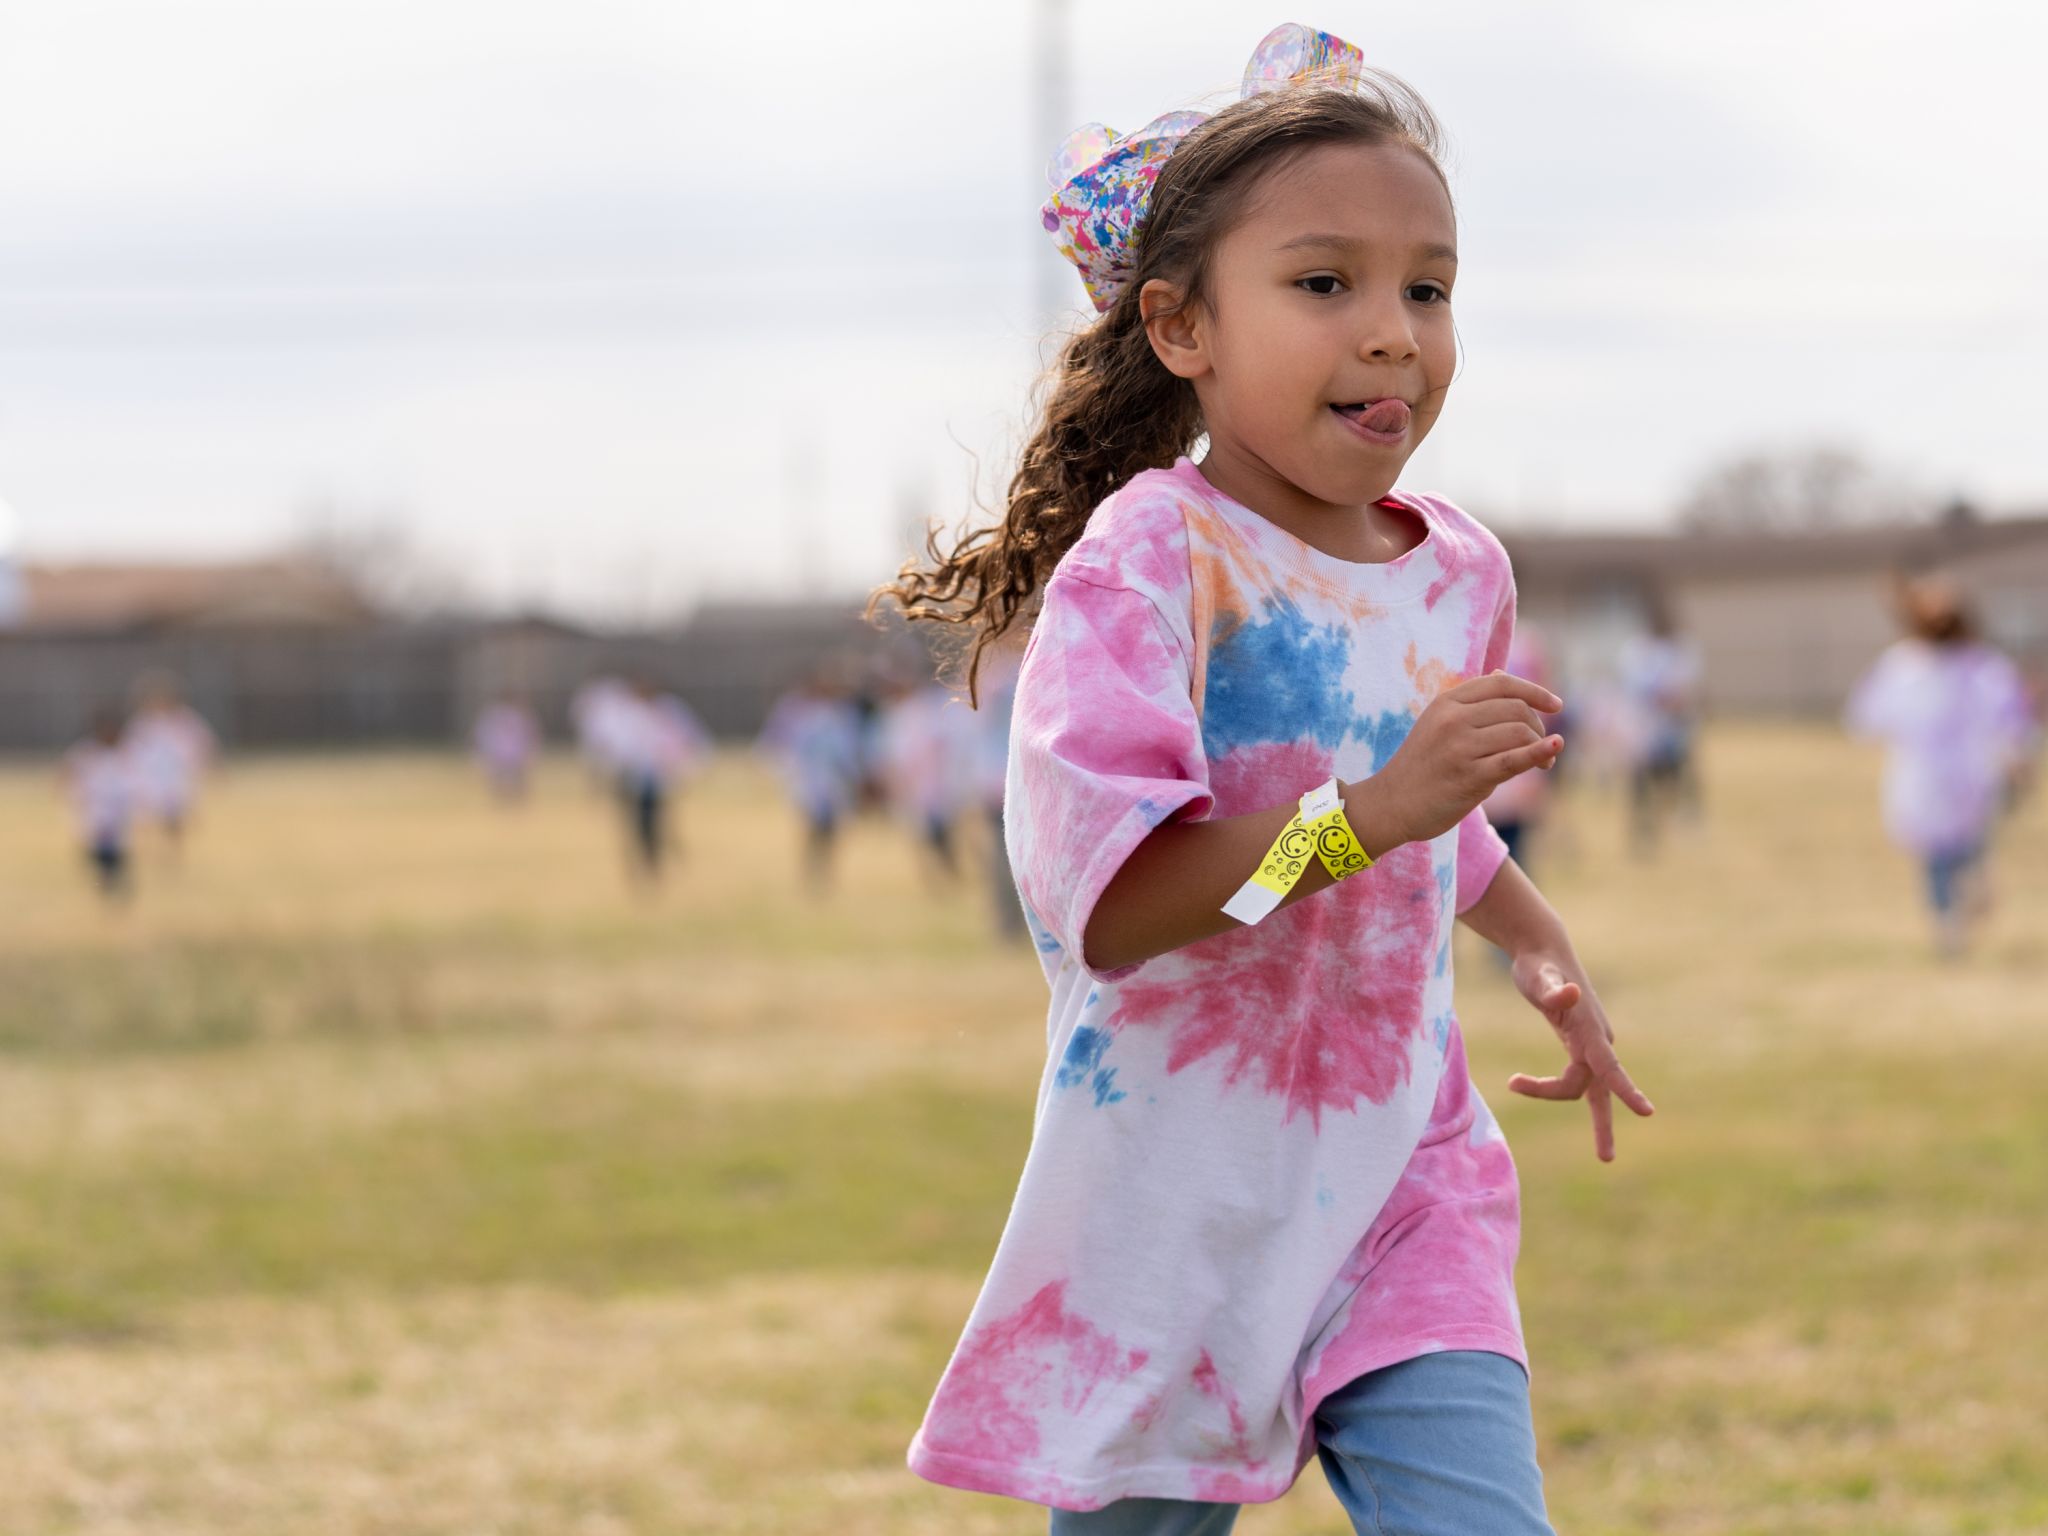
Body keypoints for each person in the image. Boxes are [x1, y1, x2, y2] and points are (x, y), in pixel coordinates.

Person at [875, 26, 1652, 1535]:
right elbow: (1121, 903)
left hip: (1401, 1180)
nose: (1393, 334)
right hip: (1178, 1204)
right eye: (1324, 283)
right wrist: (1366, 819)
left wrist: (1543, 948)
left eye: (1427, 287)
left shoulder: (1460, 568)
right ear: (1182, 329)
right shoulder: (1152, 565)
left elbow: (1438, 839)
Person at [1847, 575, 2037, 958]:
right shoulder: (1912, 664)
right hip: (1939, 775)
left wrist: (2014, 753)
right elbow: (1869, 714)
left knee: (1955, 849)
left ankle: (1961, 904)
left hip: (1958, 774)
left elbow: (2007, 712)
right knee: (1943, 851)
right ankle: (1953, 916)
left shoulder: (1967, 664)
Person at [758, 672, 865, 893]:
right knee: (812, 829)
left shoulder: (841, 712)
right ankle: (812, 873)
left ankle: (825, 873)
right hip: (806, 782)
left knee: (831, 830)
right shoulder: (793, 711)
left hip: (835, 784)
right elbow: (774, 745)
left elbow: (850, 749)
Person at [1617, 594, 1701, 857]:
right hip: (1644, 729)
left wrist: (1673, 699)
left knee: (1677, 779)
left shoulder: (1681, 648)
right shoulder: (1637, 650)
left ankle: (1679, 822)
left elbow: (1686, 688)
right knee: (1642, 784)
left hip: (1674, 728)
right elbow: (1632, 686)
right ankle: (1645, 829)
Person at [122, 673, 217, 852]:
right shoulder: (142, 723)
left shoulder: (185, 720)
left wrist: (208, 767)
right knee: (144, 817)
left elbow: (203, 744)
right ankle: (146, 849)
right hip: (149, 778)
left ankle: (173, 849)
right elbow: (130, 751)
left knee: (174, 817)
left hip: (176, 777)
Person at [64, 708, 138, 902]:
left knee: (117, 847)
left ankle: (112, 882)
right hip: (95, 807)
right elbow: (68, 773)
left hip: (118, 808)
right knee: (96, 847)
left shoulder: (126, 752)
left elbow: (137, 780)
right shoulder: (86, 752)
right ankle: (106, 881)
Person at [472, 692, 541, 804]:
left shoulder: (520, 713)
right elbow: (483, 733)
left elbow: (531, 734)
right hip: (502, 752)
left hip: (513, 753)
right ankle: (504, 805)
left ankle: (514, 804)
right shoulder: (494, 714)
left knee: (516, 783)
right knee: (500, 783)